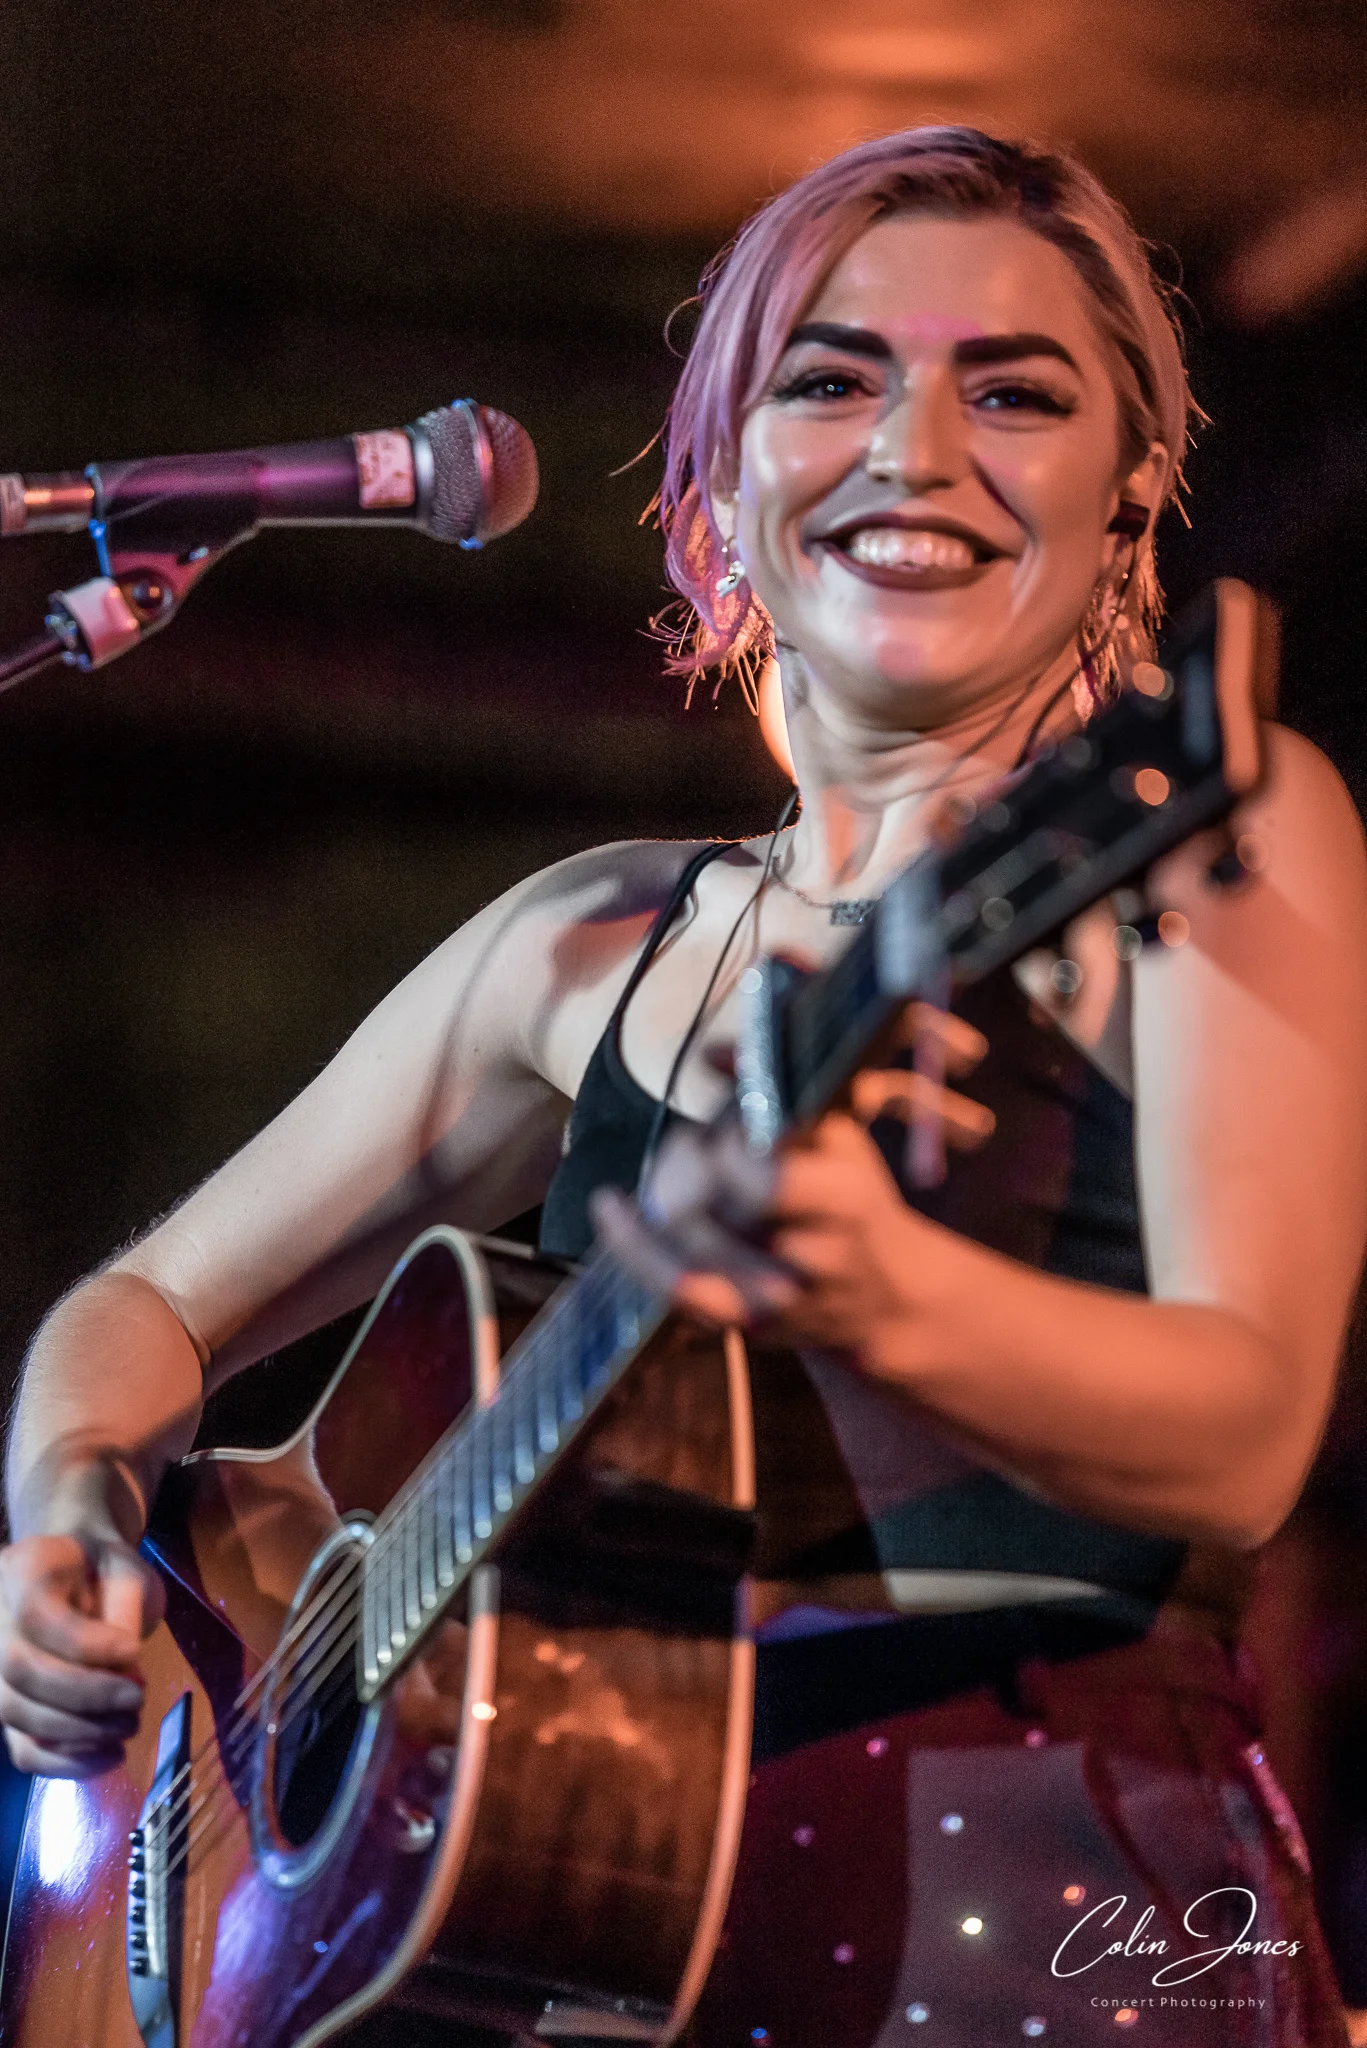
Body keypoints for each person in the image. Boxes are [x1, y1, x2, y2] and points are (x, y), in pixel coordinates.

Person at [3, 126, 1365, 2043]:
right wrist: (65, 1519)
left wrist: (892, 1294)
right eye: (830, 379)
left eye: (1016, 392)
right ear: (720, 481)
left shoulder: (1203, 835)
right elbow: (137, 1312)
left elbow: (1246, 1430)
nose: (913, 449)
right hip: (580, 1961)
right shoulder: (581, 941)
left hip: (1054, 1908)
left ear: (1131, 487)